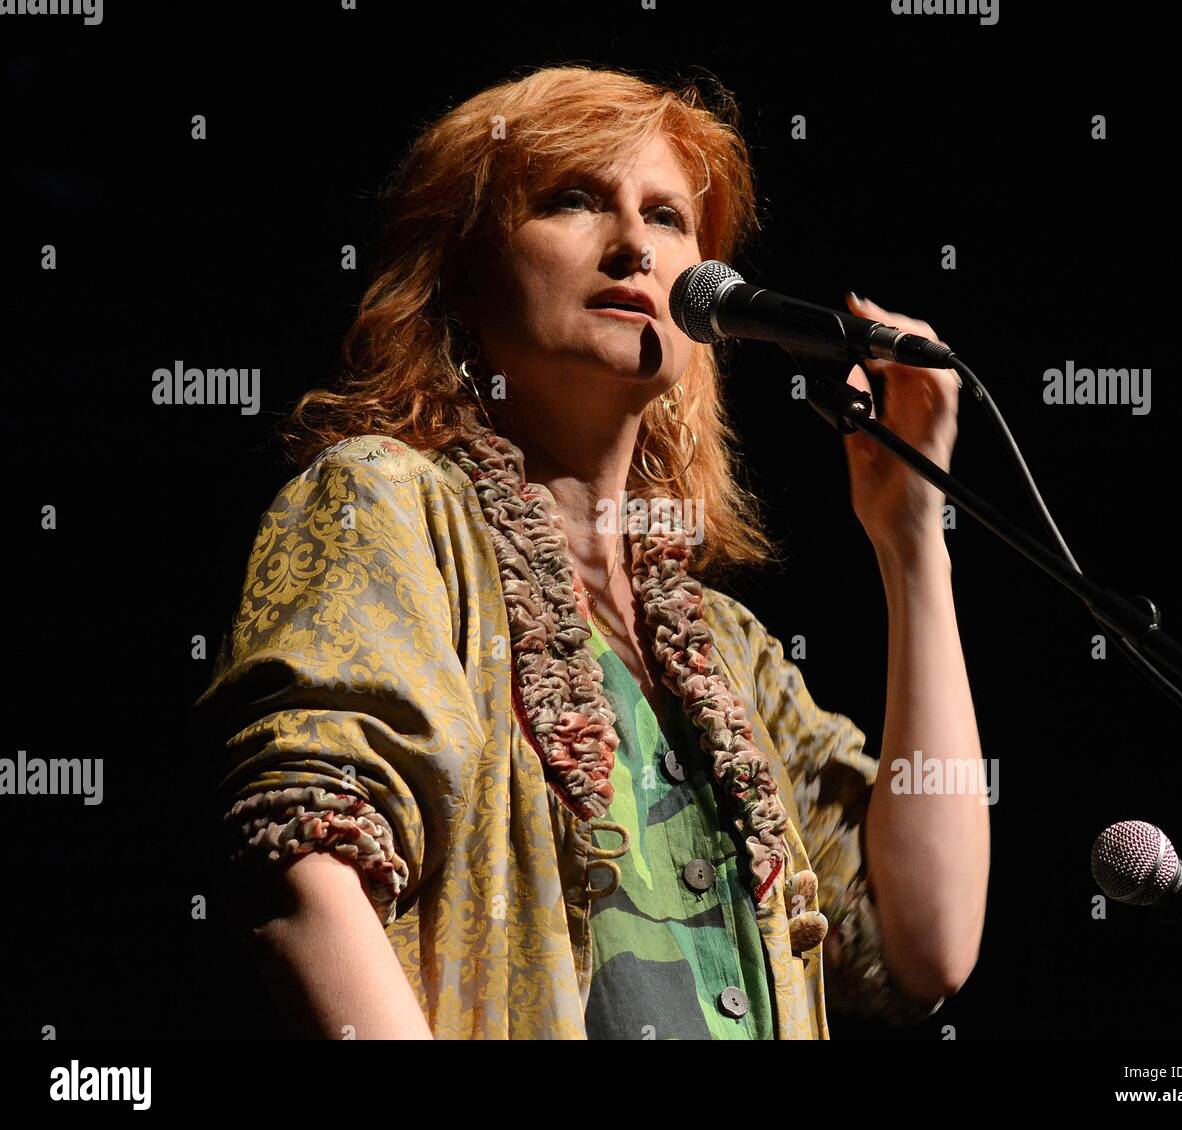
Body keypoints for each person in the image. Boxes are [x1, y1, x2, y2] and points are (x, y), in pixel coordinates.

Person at [193, 64, 989, 1040]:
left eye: (666, 217)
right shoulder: (389, 506)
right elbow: (301, 860)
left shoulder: (720, 649)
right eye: (572, 200)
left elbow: (930, 941)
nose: (632, 247)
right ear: (462, 283)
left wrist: (912, 541)